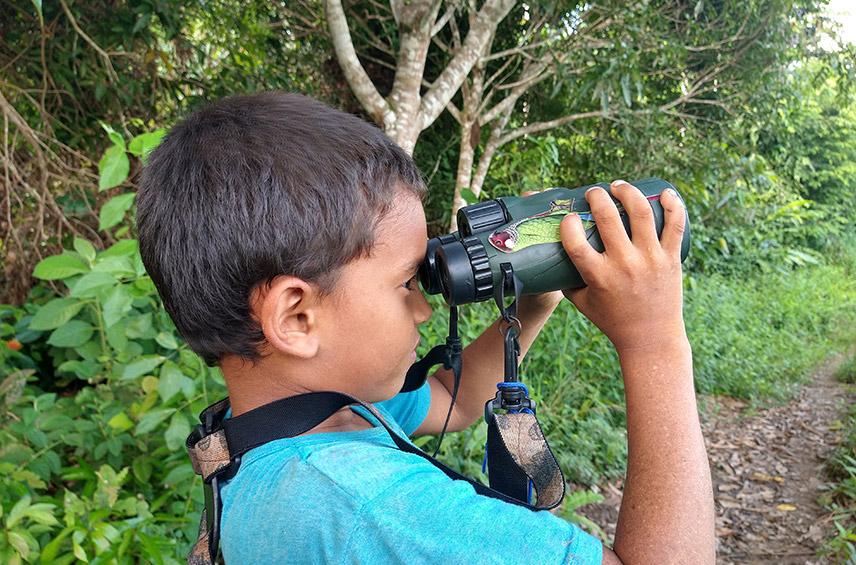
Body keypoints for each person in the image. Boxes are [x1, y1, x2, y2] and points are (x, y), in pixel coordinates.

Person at [136, 91, 715, 564]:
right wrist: (653, 340)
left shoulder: (284, 431)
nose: (424, 308)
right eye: (406, 284)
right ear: (296, 317)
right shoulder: (370, 509)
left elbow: (450, 400)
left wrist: (534, 290)